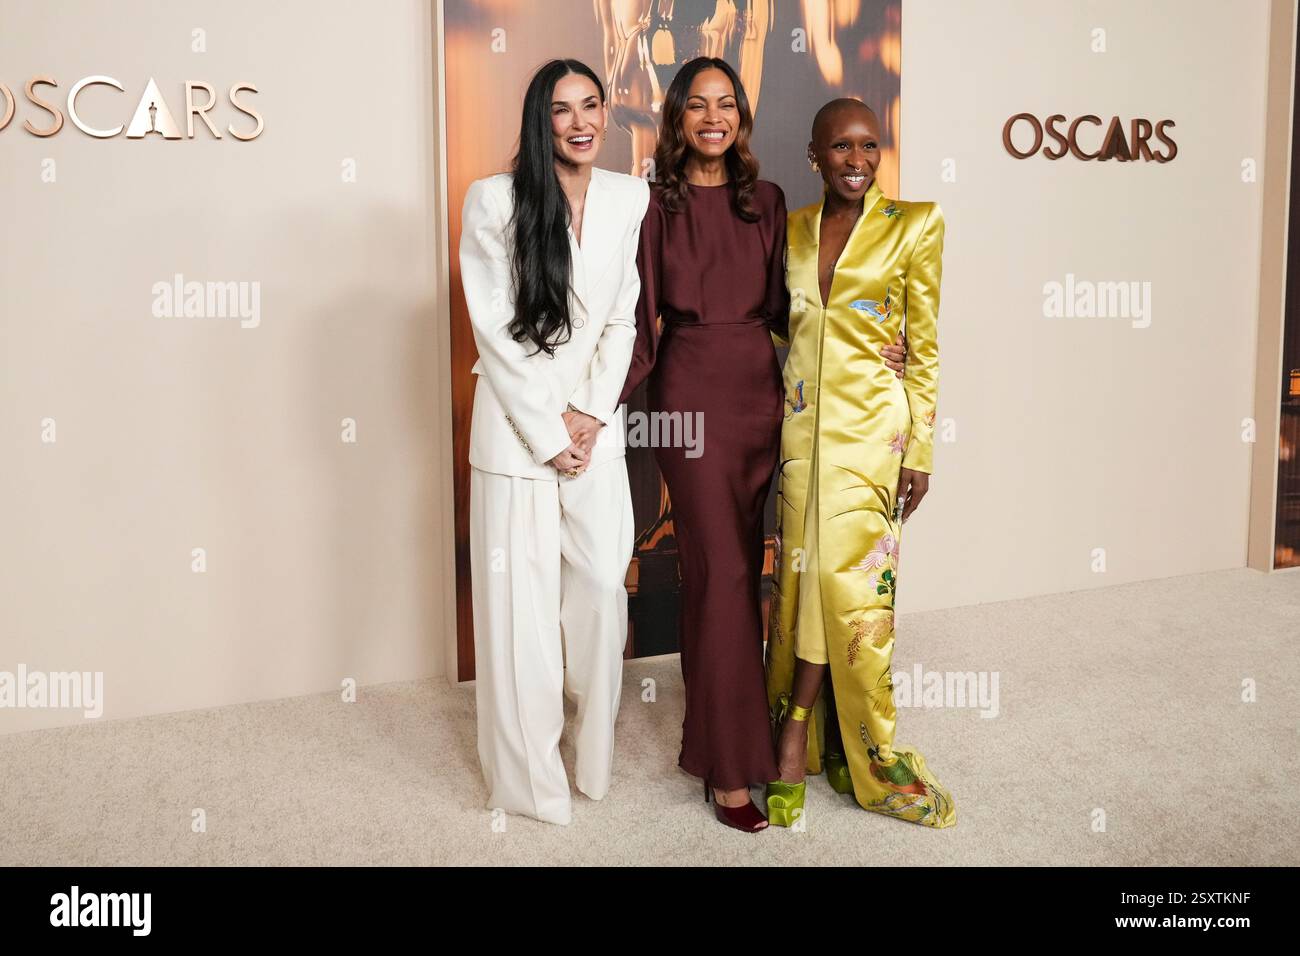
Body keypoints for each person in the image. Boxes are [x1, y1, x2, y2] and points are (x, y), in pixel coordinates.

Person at [460, 58, 650, 826]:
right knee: (522, 623)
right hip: (515, 438)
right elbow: (497, 330)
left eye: (591, 106)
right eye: (562, 110)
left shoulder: (628, 195)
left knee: (604, 589)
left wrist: (593, 415)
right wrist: (548, 432)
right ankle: (531, 789)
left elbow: (623, 318)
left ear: (605, 113)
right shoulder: (494, 200)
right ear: (540, 121)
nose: (579, 123)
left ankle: (592, 760)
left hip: (593, 433)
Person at [764, 98, 956, 829]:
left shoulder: (916, 225)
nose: (856, 160)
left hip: (874, 439)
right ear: (814, 154)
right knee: (802, 586)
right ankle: (823, 739)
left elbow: (926, 346)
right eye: (840, 148)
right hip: (801, 438)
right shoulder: (790, 233)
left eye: (869, 146)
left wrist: (921, 448)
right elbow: (778, 323)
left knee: (852, 597)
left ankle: (802, 739)